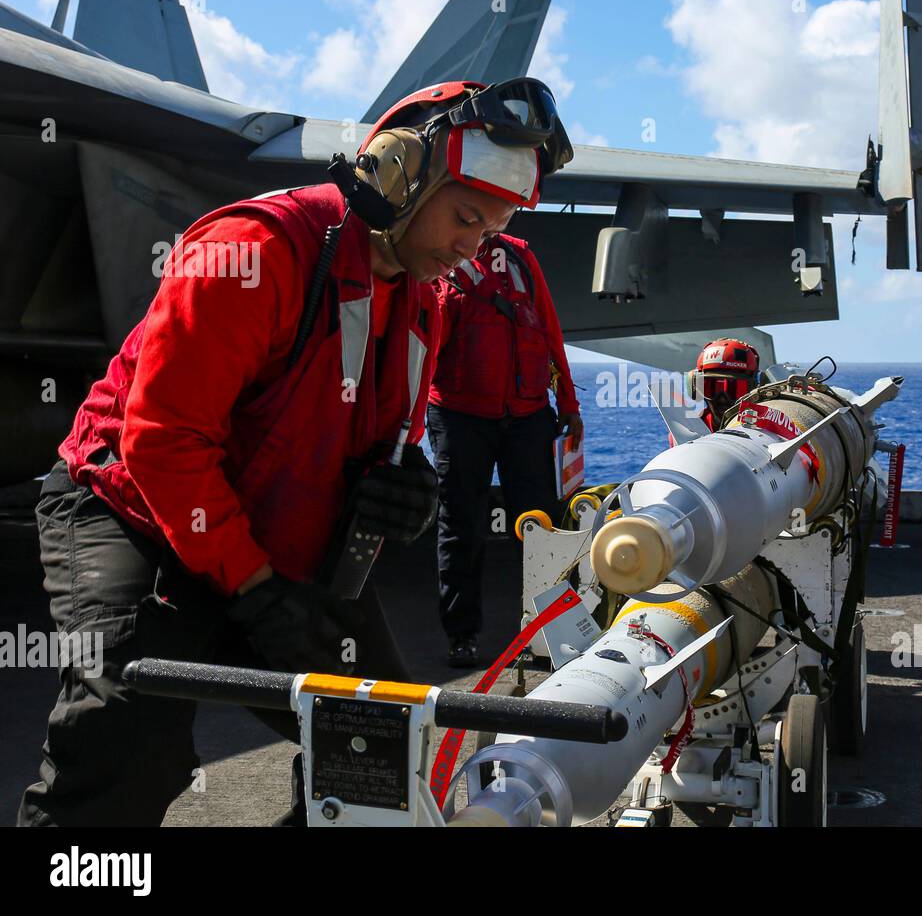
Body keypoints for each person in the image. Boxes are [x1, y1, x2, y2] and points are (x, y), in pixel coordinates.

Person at [17, 77, 573, 826]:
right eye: (467, 218)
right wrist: (252, 591)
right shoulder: (255, 251)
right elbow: (163, 440)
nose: (473, 249)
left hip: (267, 537)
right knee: (127, 742)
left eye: (491, 231)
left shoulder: (418, 300)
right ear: (400, 173)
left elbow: (379, 441)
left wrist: (405, 487)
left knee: (383, 751)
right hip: (132, 514)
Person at [424, 179, 583, 668]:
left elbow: (550, 331)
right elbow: (423, 346)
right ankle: (462, 636)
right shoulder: (441, 259)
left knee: (540, 527)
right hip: (459, 415)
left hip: (527, 415)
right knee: (461, 526)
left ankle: (549, 631)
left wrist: (569, 405)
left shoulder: (521, 259)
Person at [689, 338, 762, 432]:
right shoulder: (688, 433)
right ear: (696, 388)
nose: (722, 399)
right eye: (712, 388)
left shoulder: (768, 432)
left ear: (753, 391)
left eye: (735, 389)